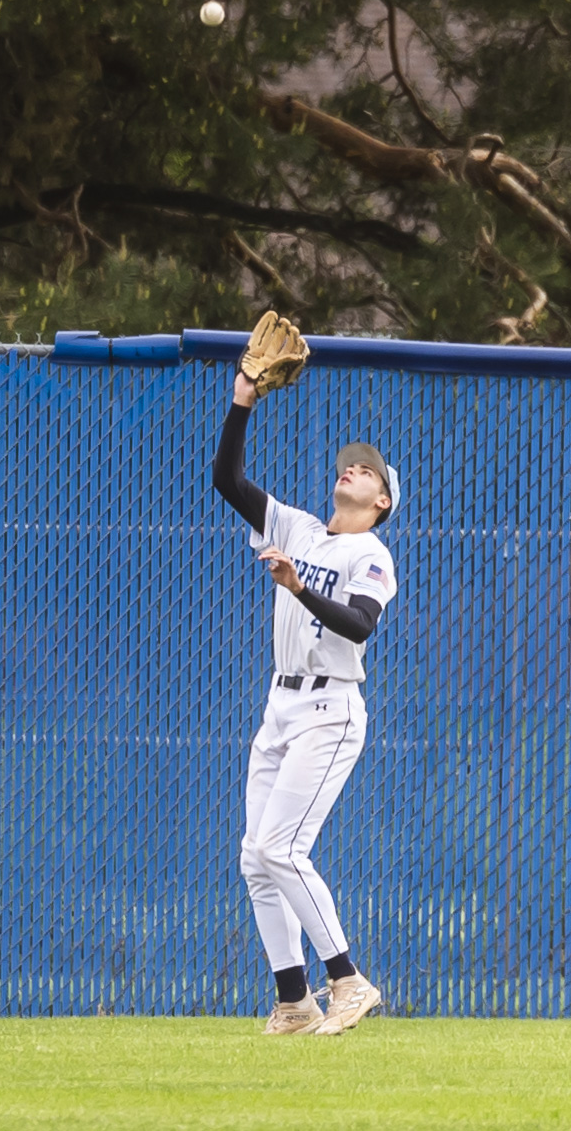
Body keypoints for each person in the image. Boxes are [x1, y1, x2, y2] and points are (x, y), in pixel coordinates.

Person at [212, 365, 400, 1036]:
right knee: (254, 855)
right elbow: (227, 481)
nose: (353, 470)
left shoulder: (371, 553)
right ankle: (293, 1001)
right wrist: (242, 400)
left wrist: (296, 589)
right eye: (350, 465)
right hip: (280, 706)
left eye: (368, 472)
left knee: (283, 848)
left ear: (381, 501)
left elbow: (358, 625)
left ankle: (347, 982)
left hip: (331, 709)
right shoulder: (295, 527)